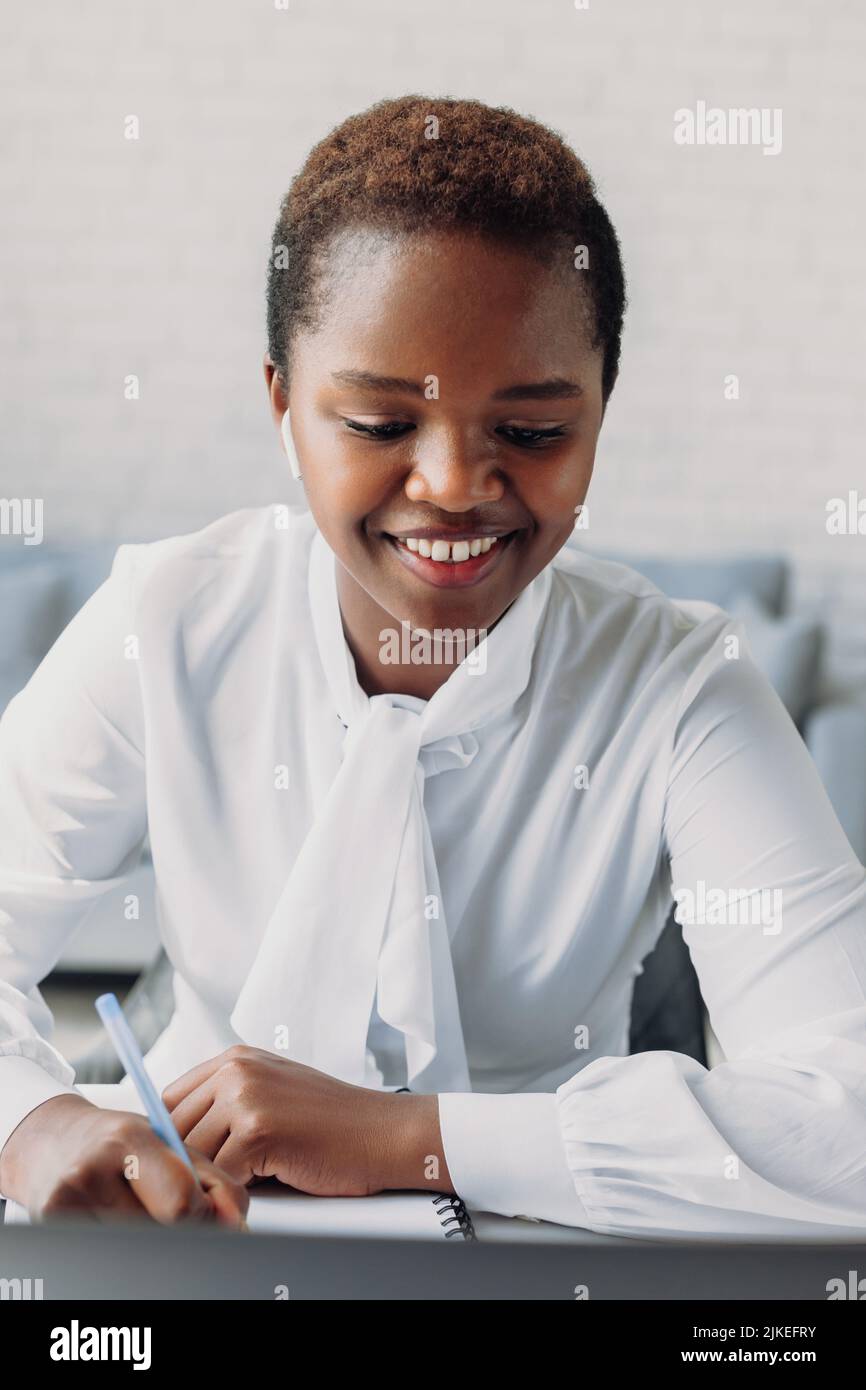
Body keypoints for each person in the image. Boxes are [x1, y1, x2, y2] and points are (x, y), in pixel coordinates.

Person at [1, 96, 864, 1236]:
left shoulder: (681, 686)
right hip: (189, 1242)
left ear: (600, 409)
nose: (454, 482)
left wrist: (404, 1137)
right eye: (374, 426)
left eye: (534, 429)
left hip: (535, 1259)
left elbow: (844, 1117)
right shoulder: (163, 618)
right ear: (282, 407)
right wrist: (33, 1119)